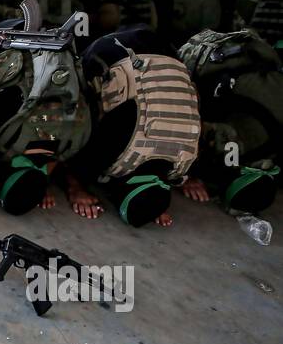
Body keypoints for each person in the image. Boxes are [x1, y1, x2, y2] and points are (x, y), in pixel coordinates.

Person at [64, 26, 201, 227]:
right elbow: (70, 166)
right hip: (109, 50)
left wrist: (154, 203)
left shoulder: (185, 160)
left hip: (168, 52)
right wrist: (76, 189)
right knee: (82, 103)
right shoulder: (112, 150)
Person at [0, 13, 92, 214]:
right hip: (10, 38)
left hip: (44, 47)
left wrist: (37, 183)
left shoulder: (77, 138)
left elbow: (54, 158)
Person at [176, 26, 279, 215]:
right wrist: (185, 176)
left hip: (249, 50)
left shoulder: (269, 153)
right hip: (202, 57)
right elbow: (187, 130)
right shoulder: (236, 143)